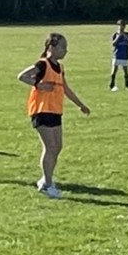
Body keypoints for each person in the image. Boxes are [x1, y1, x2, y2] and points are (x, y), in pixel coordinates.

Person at [19, 32, 90, 199]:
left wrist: (80, 104)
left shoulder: (60, 68)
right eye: (62, 47)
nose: (65, 51)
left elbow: (65, 88)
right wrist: (38, 84)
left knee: (57, 146)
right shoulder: (43, 64)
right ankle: (48, 184)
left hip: (55, 110)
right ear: (51, 47)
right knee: (50, 146)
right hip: (41, 110)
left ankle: (46, 178)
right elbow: (22, 76)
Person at [108, 20, 128, 90]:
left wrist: (125, 36)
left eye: (122, 25)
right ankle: (112, 85)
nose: (121, 27)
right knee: (114, 71)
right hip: (117, 55)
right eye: (119, 25)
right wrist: (119, 36)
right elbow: (113, 44)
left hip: (125, 55)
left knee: (125, 71)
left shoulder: (127, 34)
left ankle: (127, 85)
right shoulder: (115, 34)